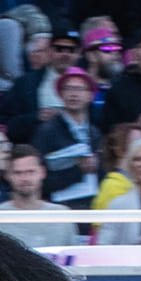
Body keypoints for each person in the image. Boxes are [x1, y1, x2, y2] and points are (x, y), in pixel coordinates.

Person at [32, 66, 103, 204]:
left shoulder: (95, 132)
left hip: (91, 204)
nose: (73, 94)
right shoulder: (46, 131)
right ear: (60, 94)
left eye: (79, 89)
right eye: (68, 88)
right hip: (60, 207)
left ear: (90, 96)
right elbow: (39, 179)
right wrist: (78, 170)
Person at [0, 146, 79, 248]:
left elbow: (74, 255)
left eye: (31, 172)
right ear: (7, 175)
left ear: (42, 172)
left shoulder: (62, 215)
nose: (25, 178)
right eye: (18, 173)